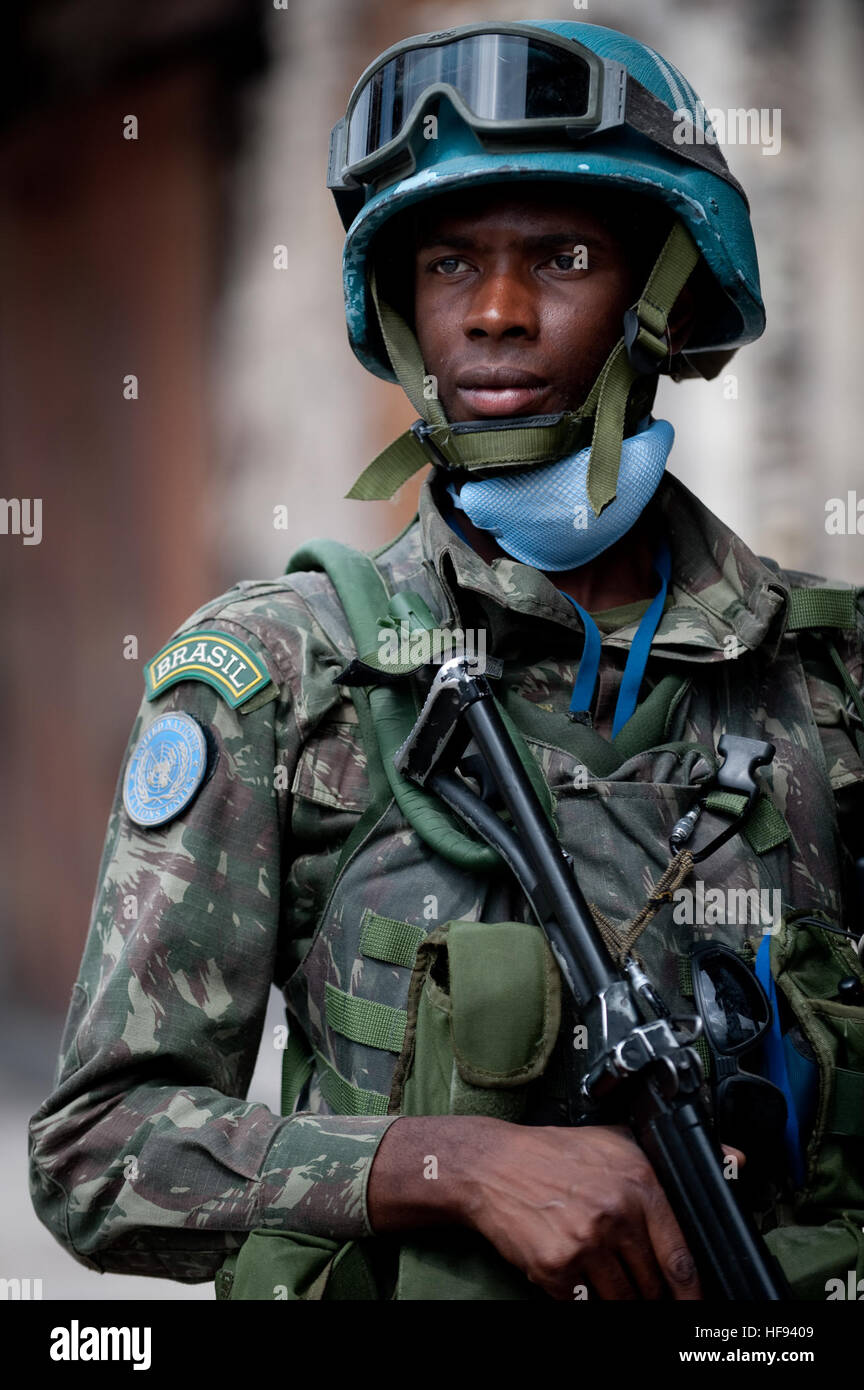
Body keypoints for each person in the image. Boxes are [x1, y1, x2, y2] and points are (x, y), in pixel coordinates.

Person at [29, 20, 864, 1302]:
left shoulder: (829, 676)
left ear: (668, 295)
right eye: (446, 262)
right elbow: (97, 1152)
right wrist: (446, 1163)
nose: (494, 314)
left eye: (563, 260)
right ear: (400, 305)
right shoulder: (281, 674)